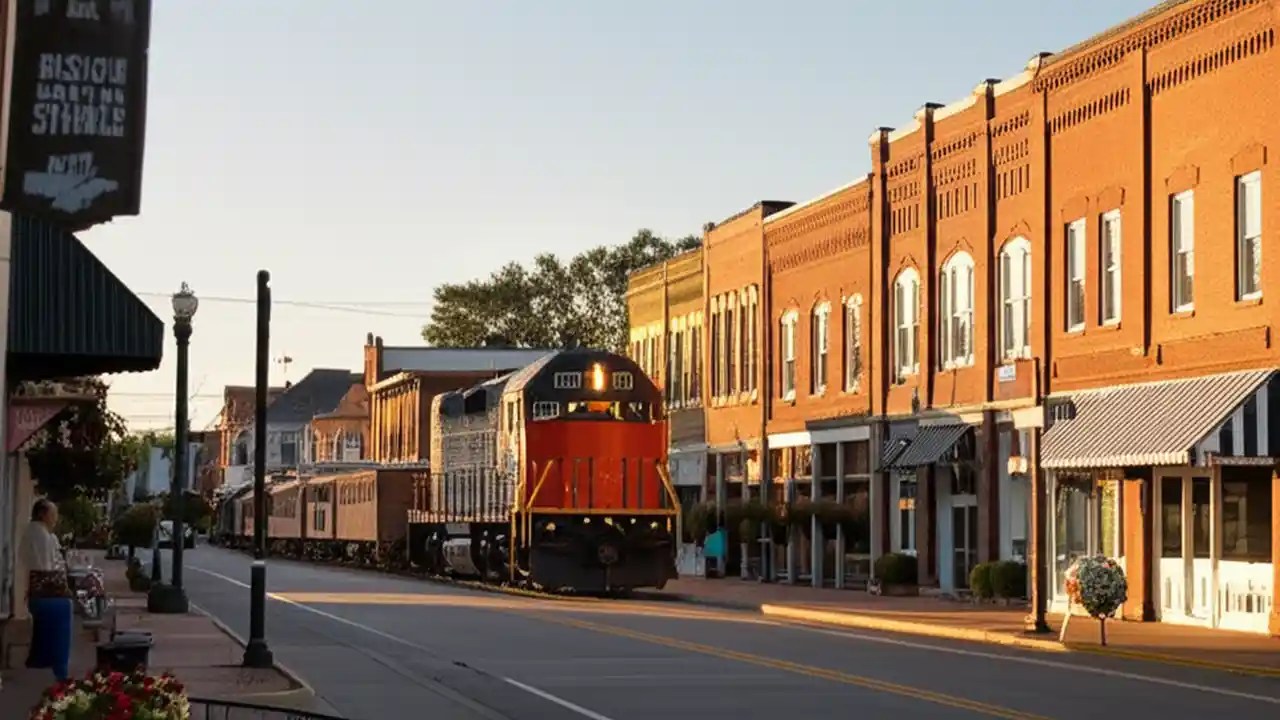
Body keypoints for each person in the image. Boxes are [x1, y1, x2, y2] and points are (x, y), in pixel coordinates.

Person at [19, 498, 72, 681]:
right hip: (47, 594)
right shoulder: (40, 535)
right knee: (63, 615)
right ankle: (61, 672)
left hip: (40, 594)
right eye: (53, 514)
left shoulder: (41, 533)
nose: (55, 518)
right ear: (42, 514)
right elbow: (47, 568)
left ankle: (41, 659)